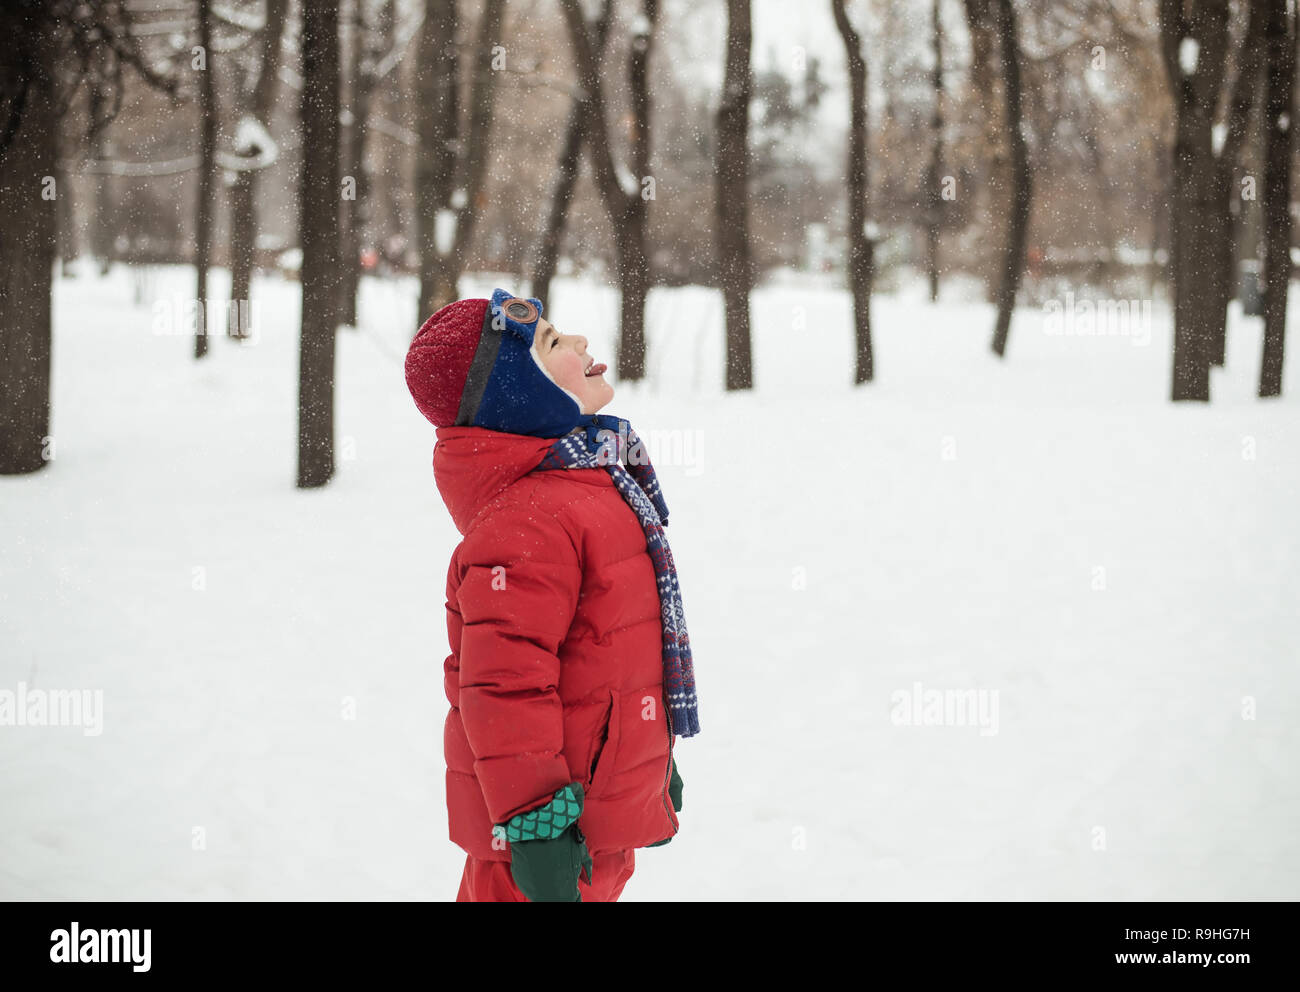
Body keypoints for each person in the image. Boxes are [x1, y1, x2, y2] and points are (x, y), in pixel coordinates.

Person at [404, 289, 701, 902]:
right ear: (516, 400)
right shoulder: (527, 524)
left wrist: (645, 764)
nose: (580, 342)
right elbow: (501, 688)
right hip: (545, 832)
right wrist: (534, 823)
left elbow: (613, 657)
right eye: (551, 343)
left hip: (591, 814)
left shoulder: (586, 483)